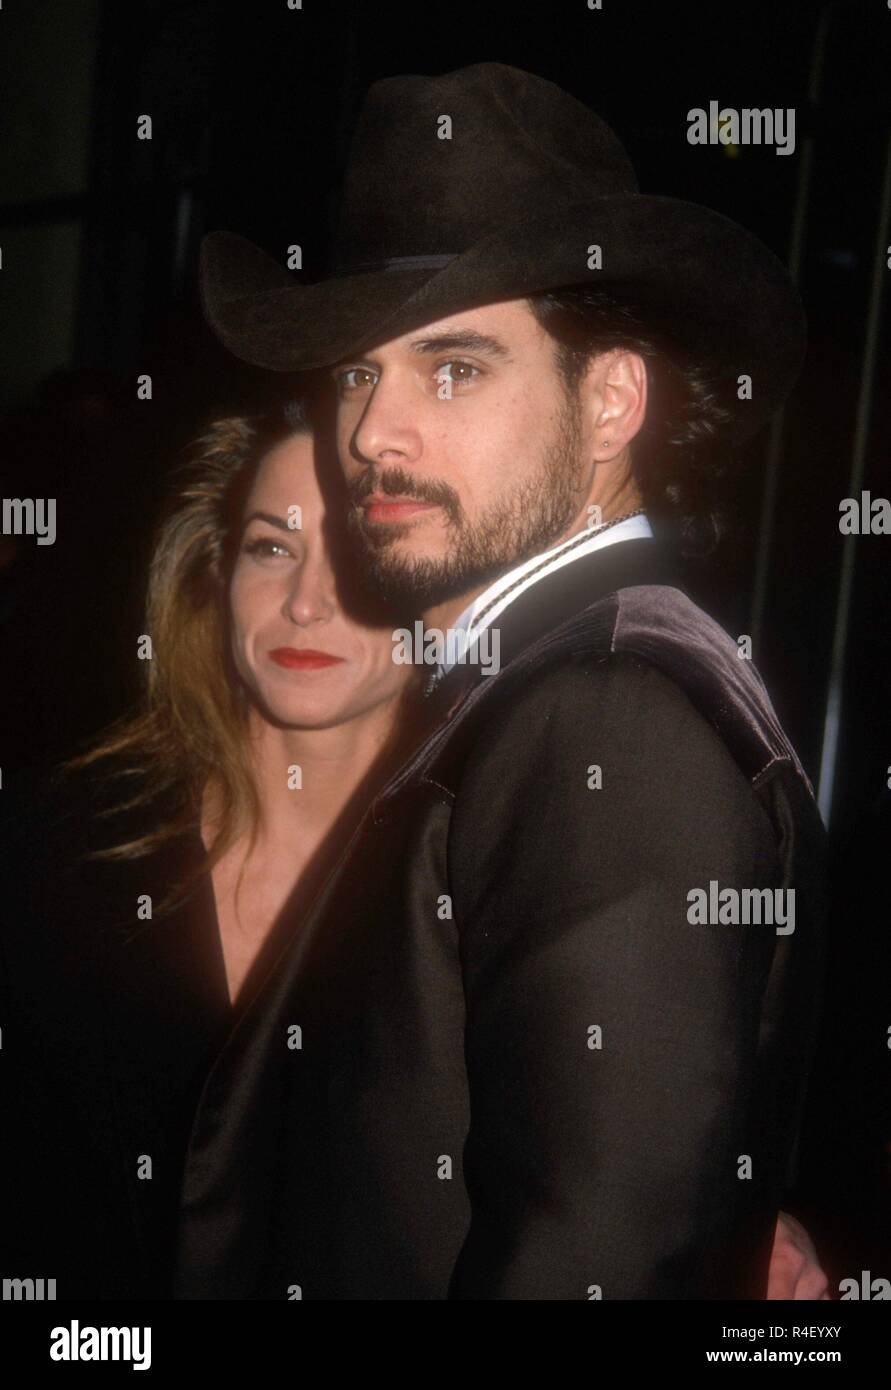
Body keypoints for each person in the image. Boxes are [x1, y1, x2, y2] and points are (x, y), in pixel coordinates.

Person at [173, 63, 829, 1299]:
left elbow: (601, 1258)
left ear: (611, 400)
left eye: (455, 367)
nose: (370, 431)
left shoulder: (609, 708)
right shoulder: (533, 682)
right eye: (360, 371)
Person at [0, 402, 422, 1298]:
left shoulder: (479, 879)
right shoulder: (58, 854)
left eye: (358, 553)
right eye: (272, 546)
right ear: (216, 571)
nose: (306, 601)